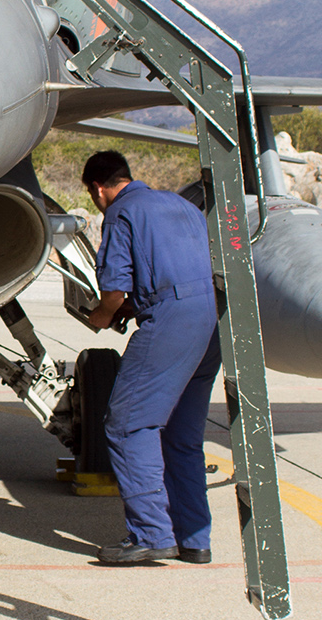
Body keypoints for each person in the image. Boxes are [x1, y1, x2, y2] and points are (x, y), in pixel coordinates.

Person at [81, 149, 221, 566]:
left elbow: (113, 293)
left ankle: (151, 535)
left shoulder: (121, 213)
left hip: (172, 322)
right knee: (181, 436)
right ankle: (194, 539)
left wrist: (100, 318)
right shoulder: (181, 204)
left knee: (127, 425)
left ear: (98, 188)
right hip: (211, 322)